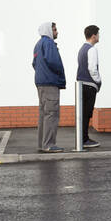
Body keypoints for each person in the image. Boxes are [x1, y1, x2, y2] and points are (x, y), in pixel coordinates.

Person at [32, 21, 67, 152]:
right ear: (48, 30)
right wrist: (60, 74)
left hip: (41, 83)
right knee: (51, 114)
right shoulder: (49, 43)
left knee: (44, 114)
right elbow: (54, 62)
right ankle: (49, 144)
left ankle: (42, 144)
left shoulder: (38, 44)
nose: (57, 32)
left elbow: (34, 63)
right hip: (50, 83)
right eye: (54, 30)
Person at [73, 25, 101, 151]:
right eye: (98, 34)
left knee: (83, 113)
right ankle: (84, 139)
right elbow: (92, 69)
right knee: (87, 113)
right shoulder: (92, 49)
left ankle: (82, 138)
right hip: (89, 85)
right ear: (94, 36)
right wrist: (98, 81)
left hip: (81, 85)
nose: (99, 37)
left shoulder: (82, 49)